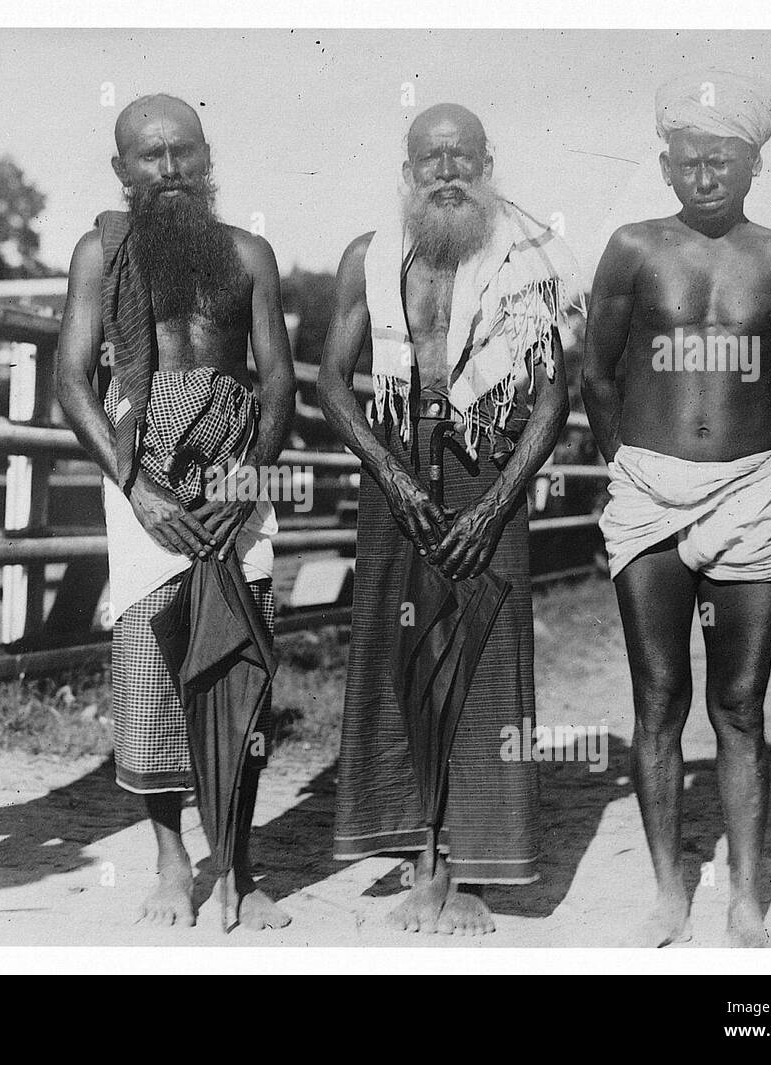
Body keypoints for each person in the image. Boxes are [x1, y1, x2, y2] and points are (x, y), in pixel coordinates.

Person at [319, 103, 577, 935]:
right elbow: (330, 378)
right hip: (398, 473)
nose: (446, 172)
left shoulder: (526, 260)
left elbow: (551, 401)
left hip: (486, 471)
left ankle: (467, 867)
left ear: (486, 160)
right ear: (406, 169)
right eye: (430, 159)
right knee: (401, 659)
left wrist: (498, 503)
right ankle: (421, 861)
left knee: (485, 667)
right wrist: (389, 473)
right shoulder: (370, 257)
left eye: (461, 156)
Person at [581, 70, 771, 946]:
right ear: (666, 162)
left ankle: (746, 897)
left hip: (750, 494)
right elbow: (598, 373)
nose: (707, 176)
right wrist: (633, 462)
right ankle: (667, 888)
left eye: (723, 160)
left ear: (755, 163)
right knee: (656, 697)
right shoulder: (634, 248)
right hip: (648, 490)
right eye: (691, 160)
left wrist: (748, 465)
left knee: (742, 703)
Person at [55, 94, 296, 930]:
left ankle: (240, 863)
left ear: (206, 157)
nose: (168, 171)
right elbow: (73, 378)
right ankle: (170, 860)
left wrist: (249, 480)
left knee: (239, 665)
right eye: (148, 157)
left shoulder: (248, 253)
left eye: (182, 153)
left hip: (237, 479)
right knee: (152, 667)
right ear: (121, 172)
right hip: (141, 471)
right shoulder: (100, 255)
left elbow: (278, 381)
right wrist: (137, 484)